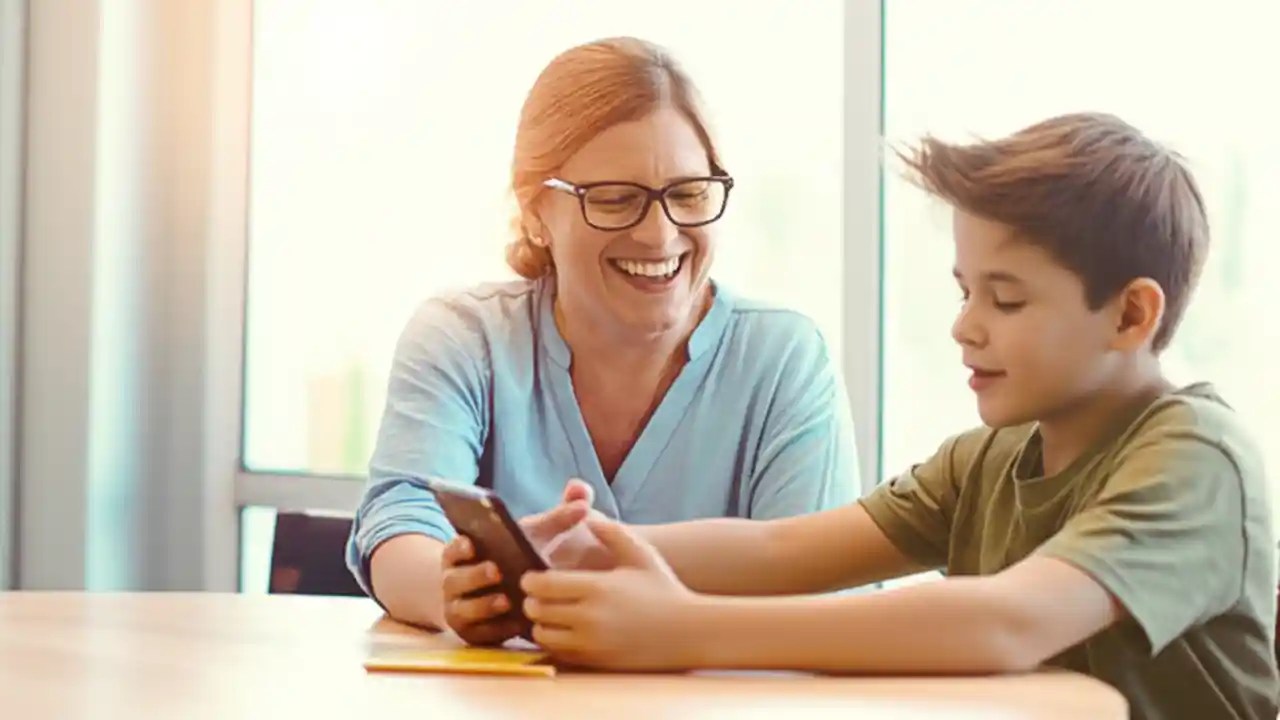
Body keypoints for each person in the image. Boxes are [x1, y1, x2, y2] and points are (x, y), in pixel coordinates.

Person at [520, 113, 1278, 719]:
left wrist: (678, 629)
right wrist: (567, 555)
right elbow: (784, 549)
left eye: (1006, 298)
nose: (966, 325)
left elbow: (1006, 623)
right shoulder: (992, 455)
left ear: (1130, 315)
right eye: (964, 291)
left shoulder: (1196, 459)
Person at [344, 36, 860, 646]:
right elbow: (400, 516)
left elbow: (819, 592)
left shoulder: (783, 359)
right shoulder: (464, 338)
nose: (660, 234)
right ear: (535, 210)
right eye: (615, 201)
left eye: (689, 194)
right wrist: (449, 590)